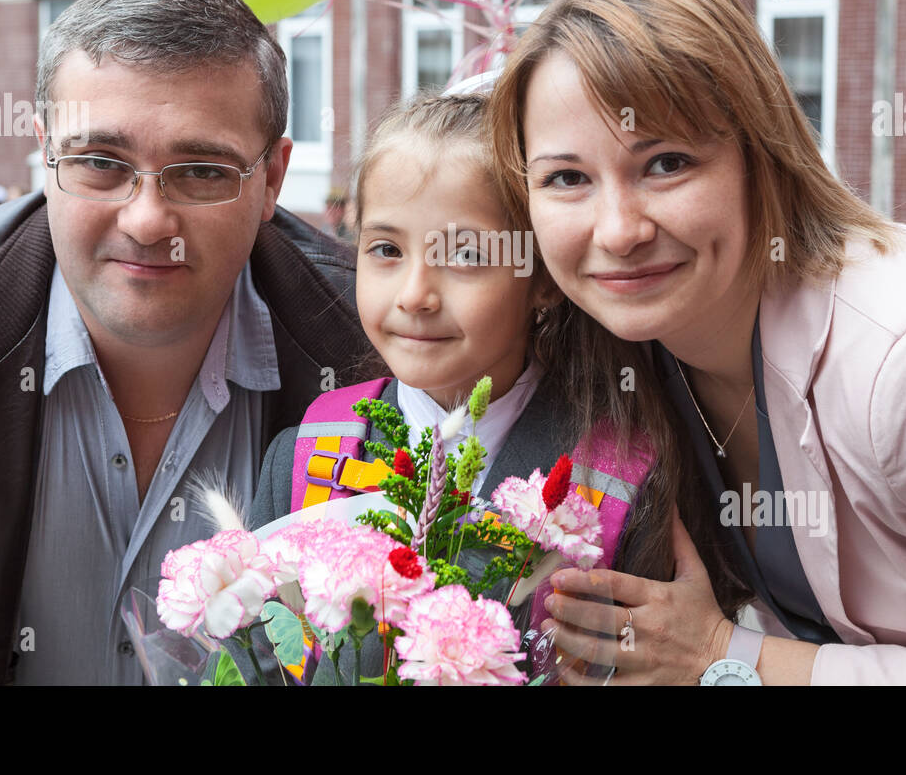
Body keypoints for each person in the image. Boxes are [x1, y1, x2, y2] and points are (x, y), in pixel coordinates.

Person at [487, 0, 906, 685]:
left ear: (763, 159)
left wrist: (722, 658)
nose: (619, 230)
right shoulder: (616, 344)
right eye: (566, 178)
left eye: (666, 163)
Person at [0, 0, 378, 685]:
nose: (148, 220)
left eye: (202, 171)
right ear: (43, 152)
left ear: (272, 179)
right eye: (98, 163)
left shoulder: (377, 346)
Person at [245, 91, 701, 682]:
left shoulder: (614, 481)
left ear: (542, 278)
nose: (414, 294)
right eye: (385, 249)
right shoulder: (307, 455)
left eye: (464, 254)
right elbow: (252, 659)